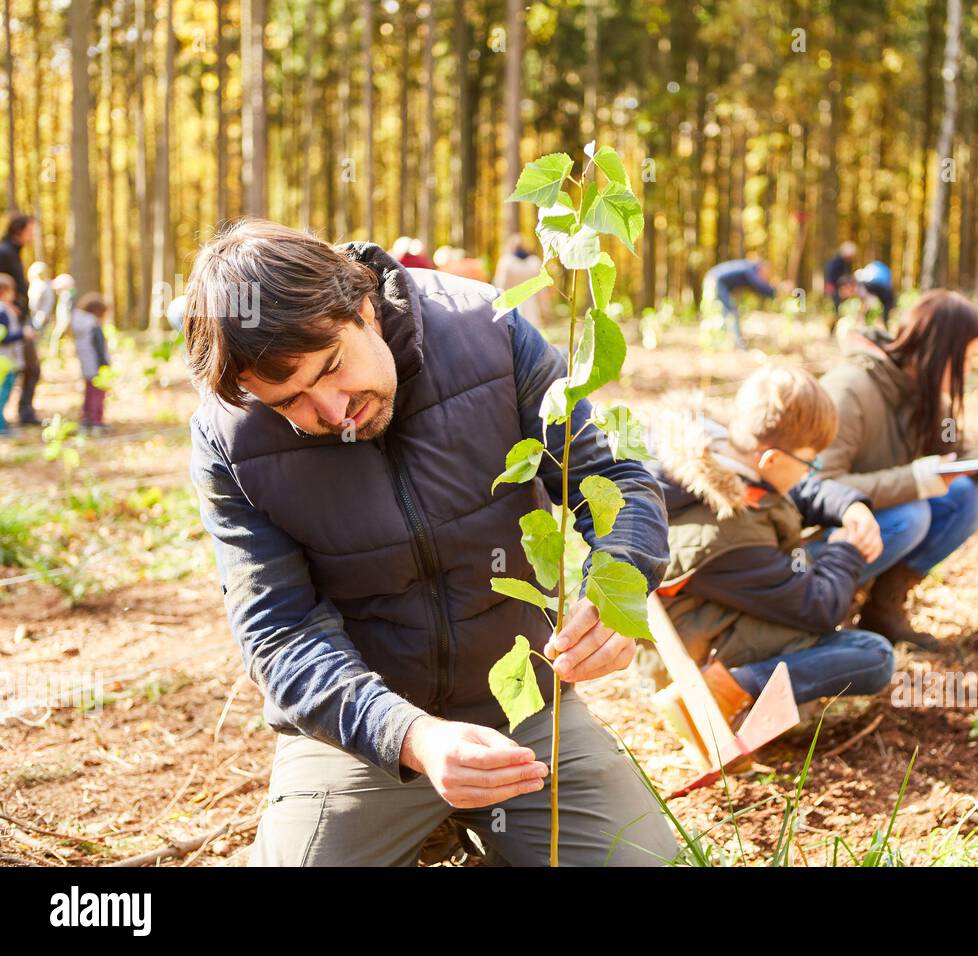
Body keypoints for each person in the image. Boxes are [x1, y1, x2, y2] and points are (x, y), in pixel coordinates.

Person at [183, 219, 677, 867]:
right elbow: (278, 632)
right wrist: (410, 737)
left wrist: (621, 582)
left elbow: (613, 476)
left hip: (520, 705)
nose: (333, 413)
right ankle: (428, 822)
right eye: (293, 402)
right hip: (363, 732)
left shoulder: (489, 330)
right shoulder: (231, 437)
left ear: (363, 308)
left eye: (333, 369)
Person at [641, 365, 890, 744]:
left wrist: (849, 507)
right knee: (873, 655)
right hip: (690, 656)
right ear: (771, 458)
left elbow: (797, 493)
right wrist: (846, 550)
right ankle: (719, 695)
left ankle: (744, 687)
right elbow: (819, 606)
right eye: (812, 462)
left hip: (722, 609)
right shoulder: (726, 529)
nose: (813, 471)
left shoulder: (723, 456)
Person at [818, 291, 978, 650]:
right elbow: (820, 487)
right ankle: (828, 604)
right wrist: (917, 481)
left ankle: (884, 607)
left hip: (880, 513)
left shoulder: (925, 394)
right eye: (965, 359)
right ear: (941, 351)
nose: (967, 371)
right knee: (912, 516)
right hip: (823, 536)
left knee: (966, 498)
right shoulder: (849, 390)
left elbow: (953, 457)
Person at [0, 214, 40, 425]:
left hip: (22, 319)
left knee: (30, 367)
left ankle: (24, 411)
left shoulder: (13, 252)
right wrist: (6, 306)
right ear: (19, 230)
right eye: (30, 230)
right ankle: (22, 413)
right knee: (28, 368)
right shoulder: (4, 251)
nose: (33, 235)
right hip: (11, 323)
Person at [701, 257, 781, 349]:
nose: (765, 278)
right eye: (765, 274)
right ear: (762, 268)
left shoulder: (747, 267)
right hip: (715, 281)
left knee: (720, 311)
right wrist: (775, 292)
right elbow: (759, 286)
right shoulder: (750, 270)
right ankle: (737, 343)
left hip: (712, 278)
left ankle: (720, 341)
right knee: (730, 312)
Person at [71, 293, 111, 432]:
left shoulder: (80, 323)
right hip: (96, 365)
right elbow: (99, 347)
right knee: (97, 394)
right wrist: (105, 365)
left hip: (86, 364)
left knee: (89, 392)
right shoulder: (93, 325)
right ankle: (96, 421)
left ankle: (86, 418)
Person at [492, 233, 549, 325]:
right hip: (529, 304)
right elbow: (541, 289)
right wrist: (544, 308)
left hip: (514, 302)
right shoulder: (534, 262)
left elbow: (500, 284)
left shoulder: (507, 261)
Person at [0, 274, 25, 435]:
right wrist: (23, 333)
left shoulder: (6, 310)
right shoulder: (2, 311)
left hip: (7, 358)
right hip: (4, 359)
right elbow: (3, 336)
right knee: (4, 391)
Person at [855, 259, 897, 327]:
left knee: (867, 304)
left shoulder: (870, 268)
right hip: (883, 288)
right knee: (886, 306)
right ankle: (884, 323)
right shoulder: (883, 268)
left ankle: (861, 322)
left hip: (872, 286)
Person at [823, 241, 858, 316]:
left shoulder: (847, 262)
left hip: (840, 286)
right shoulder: (836, 262)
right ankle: (835, 318)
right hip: (833, 285)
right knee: (835, 304)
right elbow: (831, 275)